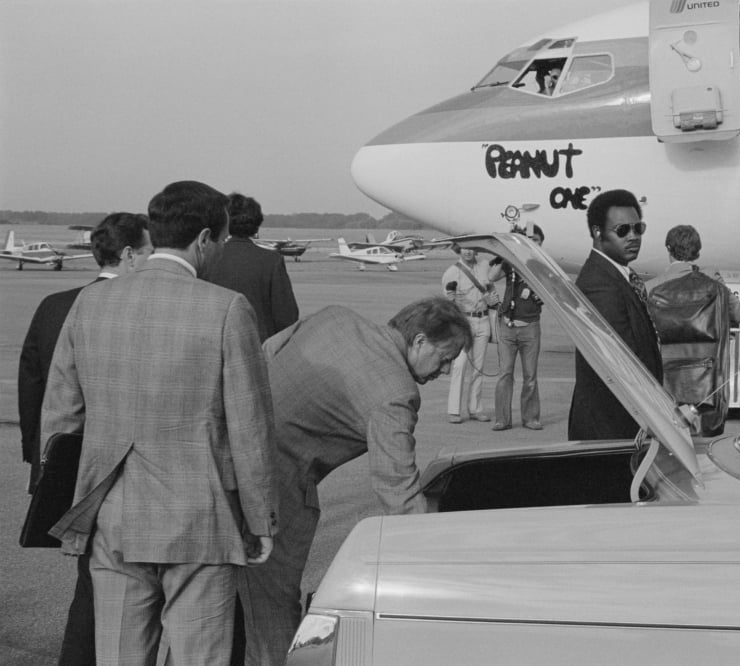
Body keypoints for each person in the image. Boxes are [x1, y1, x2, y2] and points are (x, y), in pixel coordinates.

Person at [41, 180, 279, 665]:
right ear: (204, 239)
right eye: (221, 240)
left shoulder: (90, 302)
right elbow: (250, 429)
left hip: (112, 515)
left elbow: (61, 418)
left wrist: (68, 503)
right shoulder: (226, 307)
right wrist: (261, 520)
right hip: (200, 522)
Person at [237, 297, 471, 665]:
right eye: (444, 358)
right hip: (273, 491)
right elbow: (398, 489)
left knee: (218, 604)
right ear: (419, 340)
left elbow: (266, 353)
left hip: (229, 462)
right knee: (273, 612)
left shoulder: (336, 317)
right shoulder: (394, 393)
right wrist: (436, 559)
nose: (443, 371)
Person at [18, 211, 152, 666]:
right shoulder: (135, 308)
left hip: (67, 462)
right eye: (150, 250)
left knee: (91, 580)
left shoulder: (54, 305)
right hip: (121, 468)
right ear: (130, 254)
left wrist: (42, 464)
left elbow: (32, 384)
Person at [568, 189, 663, 440]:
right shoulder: (599, 284)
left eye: (638, 228)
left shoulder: (617, 276)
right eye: (622, 230)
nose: (633, 237)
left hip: (623, 423)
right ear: (598, 233)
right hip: (611, 428)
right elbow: (625, 362)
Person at [647, 225, 740, 437]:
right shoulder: (714, 283)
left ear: (668, 249)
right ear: (697, 251)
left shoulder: (651, 288)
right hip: (708, 386)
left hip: (666, 384)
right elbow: (738, 314)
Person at [206, 192, 299, 342]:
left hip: (214, 343)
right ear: (256, 226)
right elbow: (287, 317)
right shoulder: (271, 261)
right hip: (259, 346)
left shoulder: (208, 258)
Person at [488, 225, 545, 431]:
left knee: (530, 376)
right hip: (508, 326)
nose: (532, 243)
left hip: (530, 326)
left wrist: (534, 292)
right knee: (505, 374)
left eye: (536, 240)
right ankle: (502, 419)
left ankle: (530, 418)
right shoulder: (511, 263)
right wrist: (504, 255)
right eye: (529, 240)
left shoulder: (541, 265)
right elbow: (492, 276)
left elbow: (550, 292)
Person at [442, 246, 498, 423]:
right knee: (460, 365)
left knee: (478, 368)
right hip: (464, 322)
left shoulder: (483, 267)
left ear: (476, 251)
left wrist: (492, 299)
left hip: (483, 320)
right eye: (464, 249)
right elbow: (446, 305)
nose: (467, 252)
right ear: (458, 251)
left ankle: (475, 409)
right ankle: (454, 410)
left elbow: (492, 289)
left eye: (471, 249)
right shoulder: (452, 272)